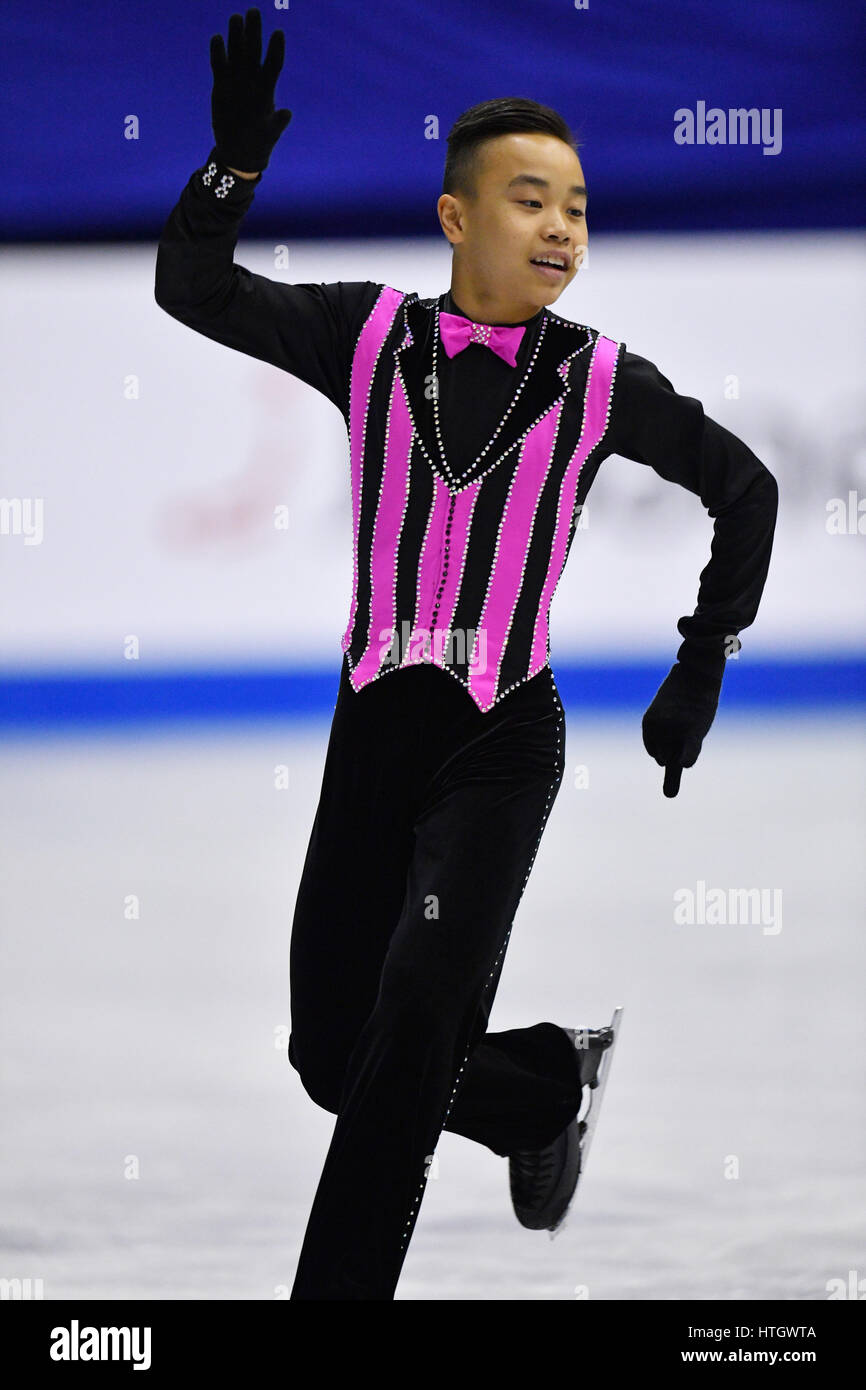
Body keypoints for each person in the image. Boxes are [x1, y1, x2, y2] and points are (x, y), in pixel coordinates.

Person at [154, 8, 779, 1300]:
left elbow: (747, 486)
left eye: (577, 207)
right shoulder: (367, 334)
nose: (560, 228)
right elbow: (193, 286)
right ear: (454, 219)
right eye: (528, 201)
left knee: (402, 1048)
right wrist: (228, 174)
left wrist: (701, 654)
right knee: (334, 1053)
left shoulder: (601, 379)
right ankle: (543, 1086)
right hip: (374, 724)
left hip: (501, 740)